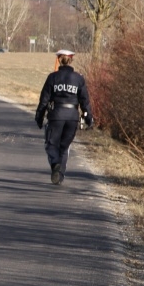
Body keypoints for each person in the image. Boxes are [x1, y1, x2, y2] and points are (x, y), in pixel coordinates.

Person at [35, 49, 93, 185]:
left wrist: (39, 116)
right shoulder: (79, 78)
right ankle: (59, 175)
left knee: (52, 144)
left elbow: (44, 99)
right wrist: (88, 117)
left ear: (59, 60)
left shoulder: (52, 78)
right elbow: (85, 100)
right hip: (72, 117)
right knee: (64, 147)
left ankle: (55, 164)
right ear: (71, 60)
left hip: (56, 115)